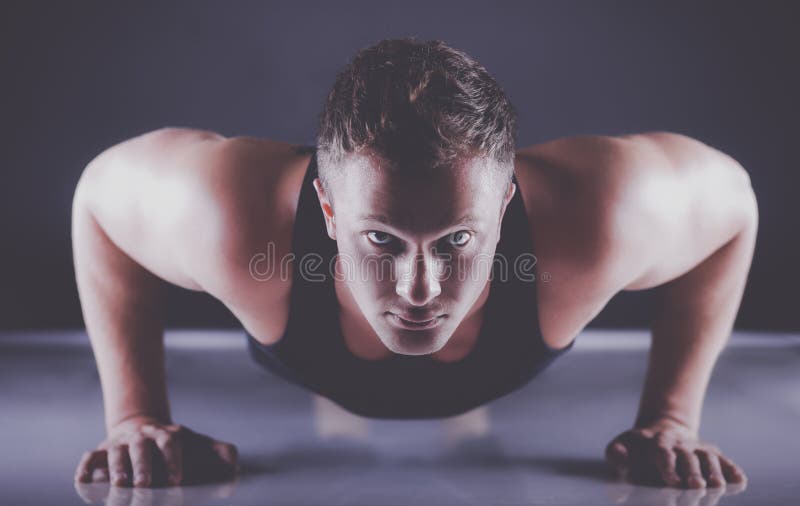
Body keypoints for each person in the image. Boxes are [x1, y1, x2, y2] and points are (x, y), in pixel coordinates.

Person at [71, 37, 756, 489]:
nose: (420, 290)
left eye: (458, 240)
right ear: (329, 211)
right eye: (382, 241)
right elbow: (100, 201)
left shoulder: (595, 219)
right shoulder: (239, 223)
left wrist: (671, 416)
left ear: (507, 206)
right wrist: (134, 414)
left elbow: (734, 210)